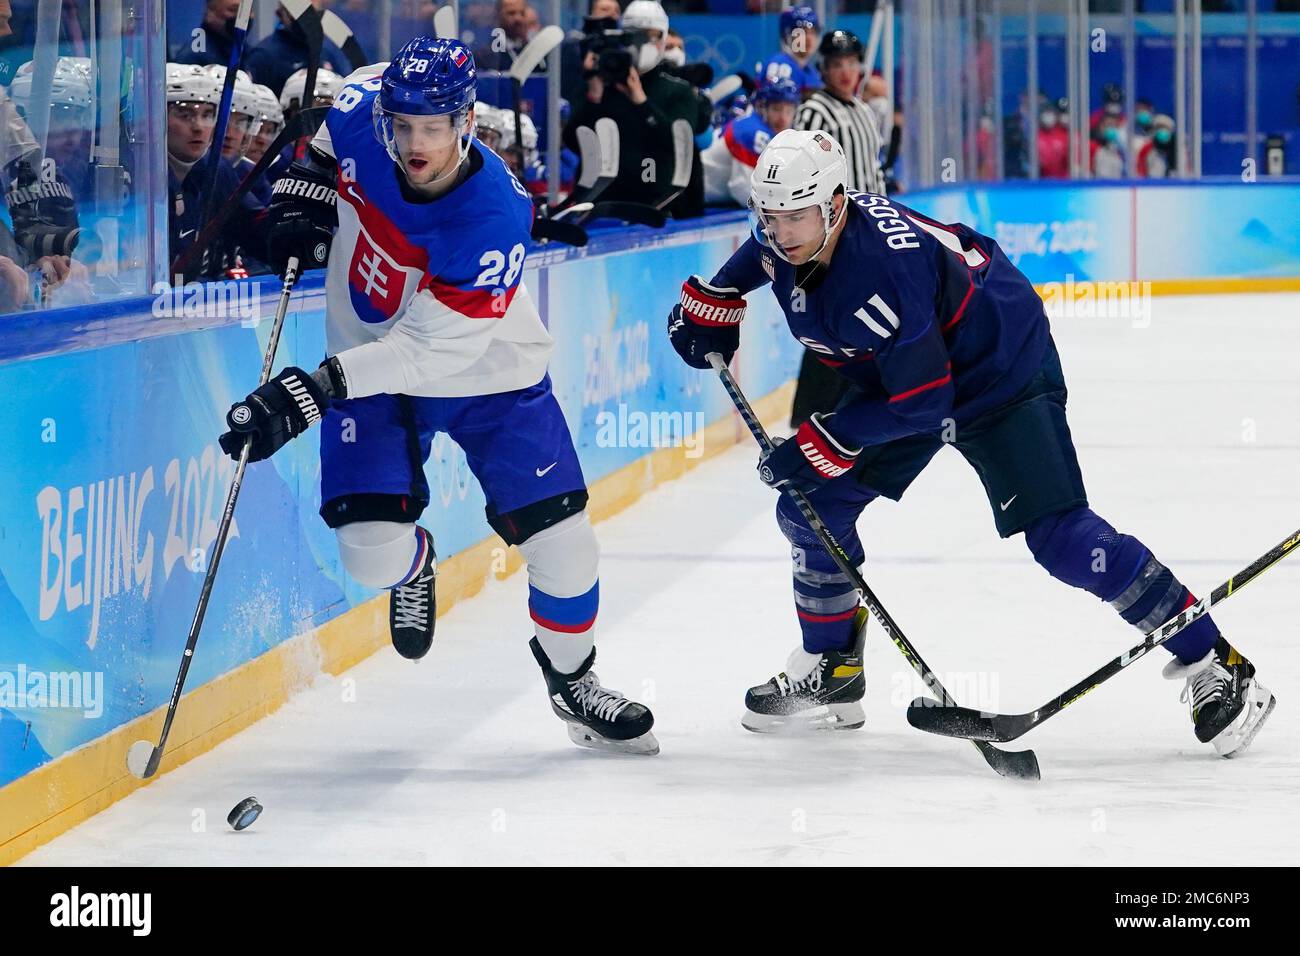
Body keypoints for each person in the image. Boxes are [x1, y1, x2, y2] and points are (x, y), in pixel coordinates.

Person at [665, 129, 1274, 756]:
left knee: (1064, 540)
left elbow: (925, 405)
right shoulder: (789, 237)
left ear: (835, 205)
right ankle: (833, 669)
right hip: (909, 379)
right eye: (771, 216)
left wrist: (830, 435)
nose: (783, 231)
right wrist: (715, 296)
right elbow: (762, 256)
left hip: (999, 371)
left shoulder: (878, 276)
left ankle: (1215, 662)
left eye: (797, 216)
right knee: (810, 506)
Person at [220, 37, 657, 755]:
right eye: (404, 126)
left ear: (466, 120)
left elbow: (426, 351)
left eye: (434, 128)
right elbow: (332, 129)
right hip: (371, 366)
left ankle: (574, 681)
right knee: (367, 556)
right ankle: (417, 563)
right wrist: (310, 184)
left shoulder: (492, 216)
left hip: (489, 377)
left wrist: (312, 389)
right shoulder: (366, 108)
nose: (415, 144)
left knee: (569, 548)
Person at [789, 28, 885, 429]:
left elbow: (875, 173)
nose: (845, 72)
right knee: (829, 321)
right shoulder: (815, 113)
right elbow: (798, 168)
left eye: (850, 63)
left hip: (868, 234)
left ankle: (847, 409)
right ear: (823, 70)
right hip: (832, 238)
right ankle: (810, 416)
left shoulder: (864, 112)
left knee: (858, 321)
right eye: (836, 65)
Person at [562, 0, 709, 218]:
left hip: (658, 205)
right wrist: (594, 95)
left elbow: (678, 147)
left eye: (651, 36)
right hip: (603, 204)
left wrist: (641, 102)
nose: (643, 43)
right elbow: (575, 142)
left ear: (662, 40)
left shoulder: (678, 91)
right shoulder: (603, 84)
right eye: (635, 35)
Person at [164, 63, 266, 279]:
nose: (199, 126)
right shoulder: (139, 175)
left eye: (208, 114)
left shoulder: (217, 169)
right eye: (184, 114)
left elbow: (257, 232)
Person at [701, 76, 798, 207]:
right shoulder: (751, 132)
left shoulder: (757, 126)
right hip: (696, 197)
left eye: (789, 111)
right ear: (762, 107)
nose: (783, 118)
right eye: (776, 109)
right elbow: (742, 188)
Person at [755, 4, 820, 96]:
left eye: (813, 32)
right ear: (787, 35)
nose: (809, 38)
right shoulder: (780, 64)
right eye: (802, 32)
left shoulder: (810, 70)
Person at [172, 0, 252, 68]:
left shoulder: (252, 55)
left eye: (247, 10)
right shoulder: (192, 59)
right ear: (211, 14)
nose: (244, 17)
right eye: (233, 10)